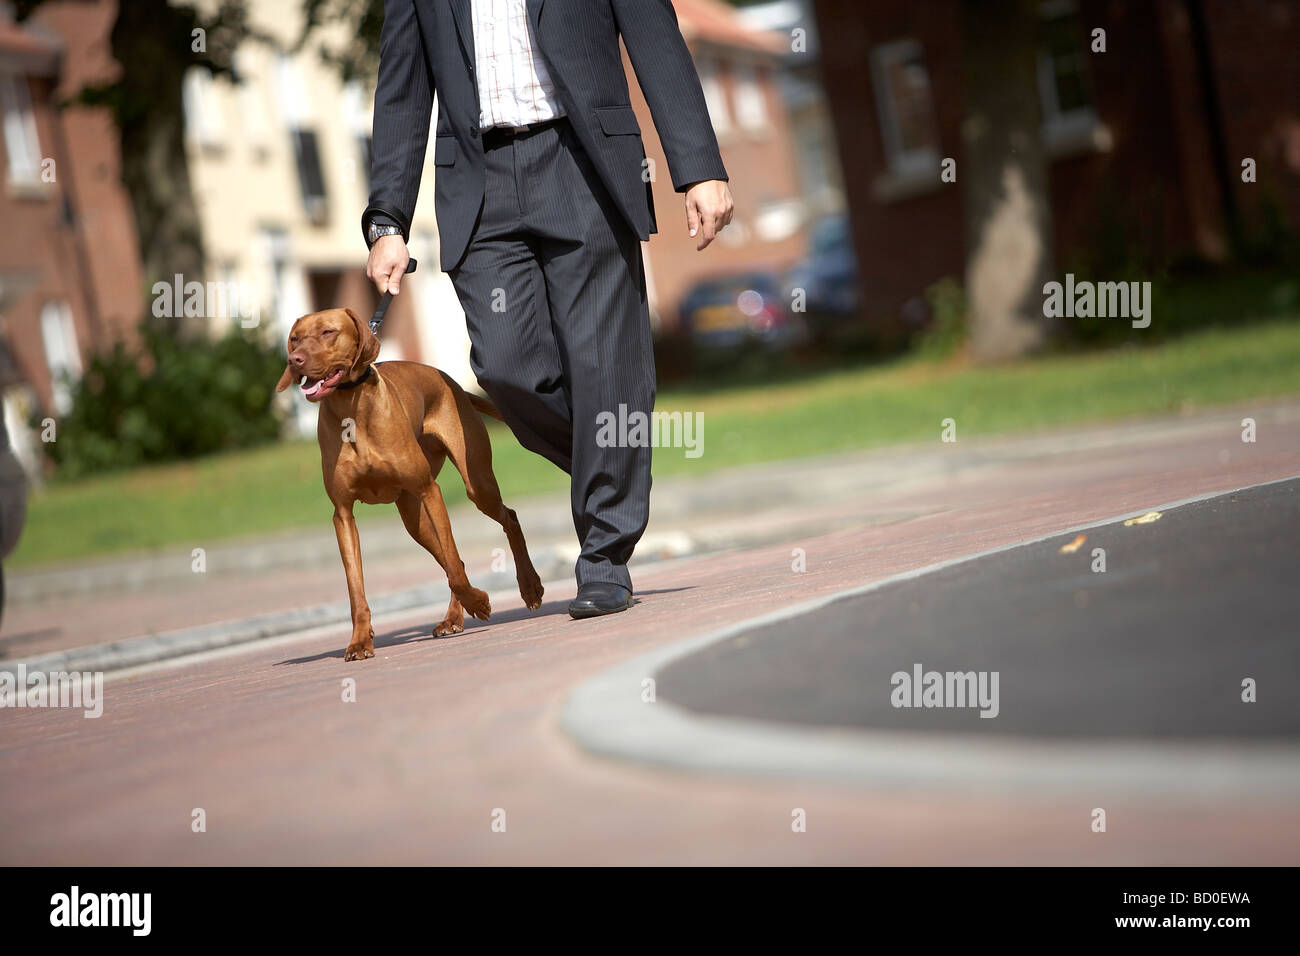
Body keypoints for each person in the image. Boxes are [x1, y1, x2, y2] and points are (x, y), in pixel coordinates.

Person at [363, 0, 733, 619]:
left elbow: (655, 38)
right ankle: (613, 457)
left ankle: (605, 555)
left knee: (603, 360)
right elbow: (400, 90)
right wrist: (387, 219)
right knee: (507, 367)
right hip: (477, 181)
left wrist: (697, 167)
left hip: (583, 163)